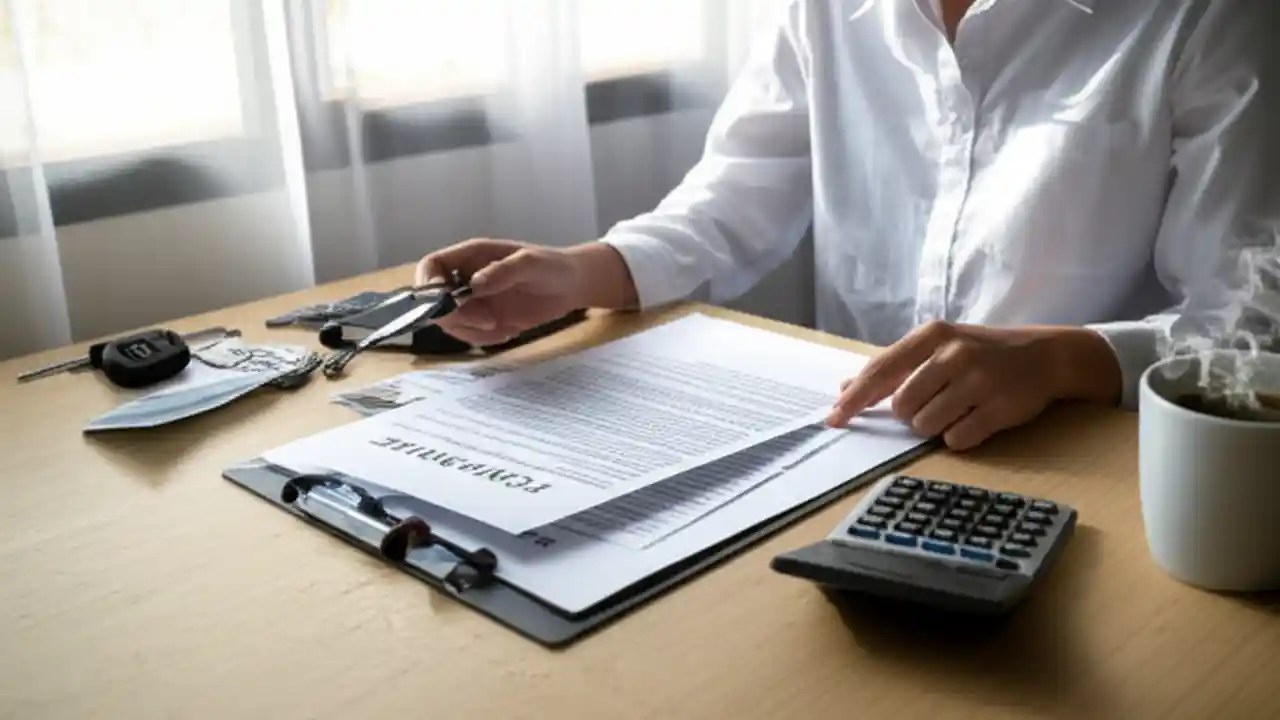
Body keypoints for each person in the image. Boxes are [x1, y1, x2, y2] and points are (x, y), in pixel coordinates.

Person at [416, 0, 1278, 450]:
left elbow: (1251, 329)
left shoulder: (1210, 17)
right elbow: (738, 189)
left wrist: (1061, 359)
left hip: (1099, 458)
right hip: (858, 442)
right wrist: (581, 272)